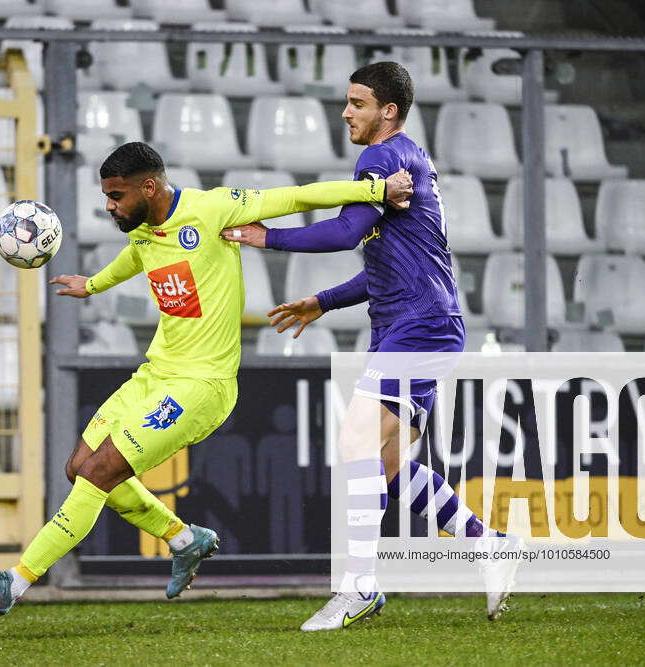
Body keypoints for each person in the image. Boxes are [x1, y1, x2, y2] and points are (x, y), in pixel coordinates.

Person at [0, 141, 415, 617]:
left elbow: (297, 197)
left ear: (149, 186)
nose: (109, 206)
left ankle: (13, 583)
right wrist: (91, 284)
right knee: (79, 466)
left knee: (99, 473)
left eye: (116, 196)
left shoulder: (213, 209)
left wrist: (377, 188)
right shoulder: (143, 230)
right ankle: (183, 538)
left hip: (203, 386)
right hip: (156, 373)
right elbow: (136, 258)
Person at [222, 62, 525, 631]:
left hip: (418, 323)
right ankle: (490, 546)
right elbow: (385, 265)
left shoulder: (382, 160)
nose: (345, 112)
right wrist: (325, 301)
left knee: (355, 437)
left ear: (387, 110)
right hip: (415, 321)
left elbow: (343, 233)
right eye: (346, 101)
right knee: (386, 464)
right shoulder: (404, 158)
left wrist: (262, 235)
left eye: (357, 103)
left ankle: (358, 585)